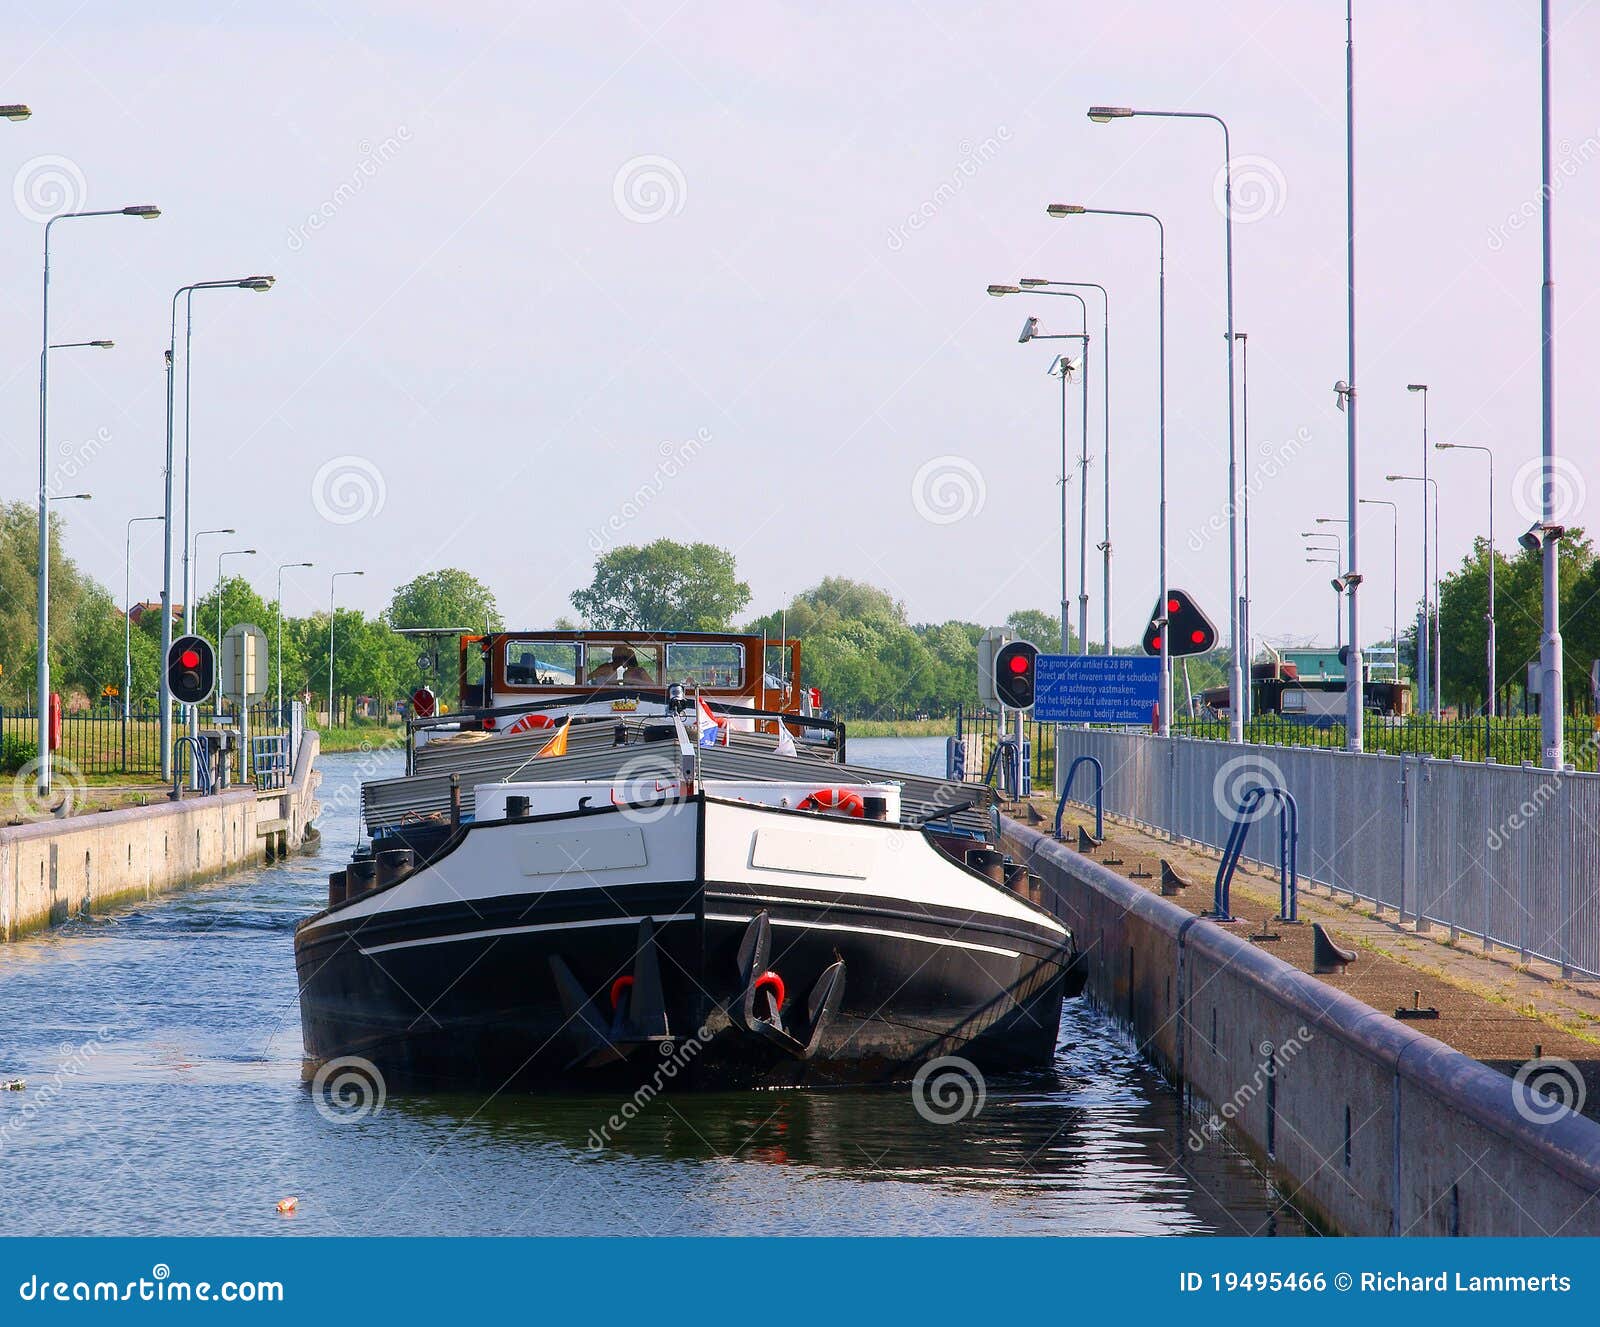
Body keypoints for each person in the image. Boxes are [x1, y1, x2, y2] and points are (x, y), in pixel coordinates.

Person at [586, 645, 655, 687]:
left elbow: (652, 685)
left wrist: (632, 681)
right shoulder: (606, 667)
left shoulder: (639, 671)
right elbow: (587, 678)